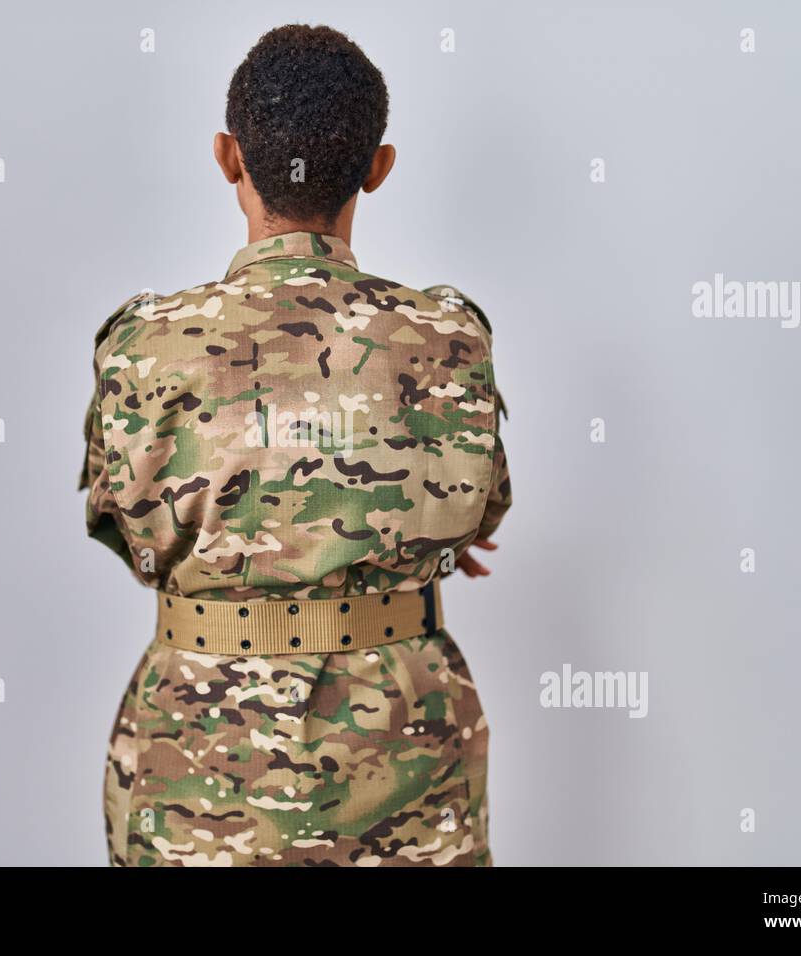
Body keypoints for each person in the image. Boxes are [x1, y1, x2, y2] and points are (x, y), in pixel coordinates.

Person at [79, 23, 511, 866]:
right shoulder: (447, 336)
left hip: (198, 757)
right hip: (404, 753)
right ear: (378, 168)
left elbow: (124, 529)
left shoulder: (144, 344)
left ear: (227, 157)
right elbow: (481, 507)